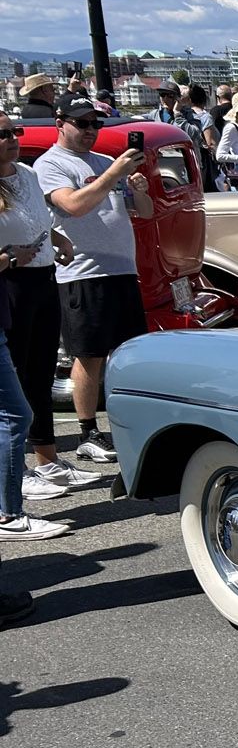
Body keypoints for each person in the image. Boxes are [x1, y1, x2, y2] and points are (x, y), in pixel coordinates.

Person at [34, 92, 151, 465]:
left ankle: (127, 422)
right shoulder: (50, 164)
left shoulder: (103, 161)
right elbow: (73, 205)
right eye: (81, 123)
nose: (89, 131)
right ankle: (88, 431)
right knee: (89, 354)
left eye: (95, 124)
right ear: (61, 124)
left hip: (120, 268)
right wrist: (115, 173)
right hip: (82, 270)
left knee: (127, 352)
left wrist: (138, 189)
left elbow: (144, 212)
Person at [0, 111, 86, 533]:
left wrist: (57, 237)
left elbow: (39, 219)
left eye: (13, 131)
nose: (12, 139)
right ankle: (15, 484)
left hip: (41, 276)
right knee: (12, 389)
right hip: (9, 283)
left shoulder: (28, 173)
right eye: (3, 134)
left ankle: (44, 459)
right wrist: (11, 256)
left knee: (38, 374)